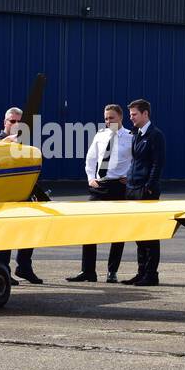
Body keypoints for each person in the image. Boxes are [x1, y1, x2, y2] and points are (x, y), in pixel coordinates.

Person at [67, 104, 133, 283]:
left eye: (111, 117)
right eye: (106, 118)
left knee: (117, 231)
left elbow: (137, 160)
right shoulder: (100, 135)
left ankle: (112, 272)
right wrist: (90, 178)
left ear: (120, 117)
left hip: (119, 187)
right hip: (99, 185)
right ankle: (88, 271)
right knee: (88, 226)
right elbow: (91, 158)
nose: (108, 121)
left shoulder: (130, 137)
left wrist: (129, 176)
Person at [0, 106, 42, 285]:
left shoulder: (26, 144)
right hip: (5, 198)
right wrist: (6, 142)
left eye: (19, 122)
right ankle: (2, 269)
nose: (15, 125)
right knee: (5, 235)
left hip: (25, 196)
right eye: (12, 121)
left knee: (29, 232)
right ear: (4, 123)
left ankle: (24, 267)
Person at [122, 98, 165, 286]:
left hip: (145, 190)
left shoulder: (155, 135)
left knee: (150, 233)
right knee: (138, 234)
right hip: (132, 188)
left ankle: (151, 274)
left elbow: (157, 164)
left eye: (134, 114)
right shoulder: (136, 134)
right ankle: (141, 272)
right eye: (130, 114)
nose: (131, 118)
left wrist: (148, 186)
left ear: (145, 114)